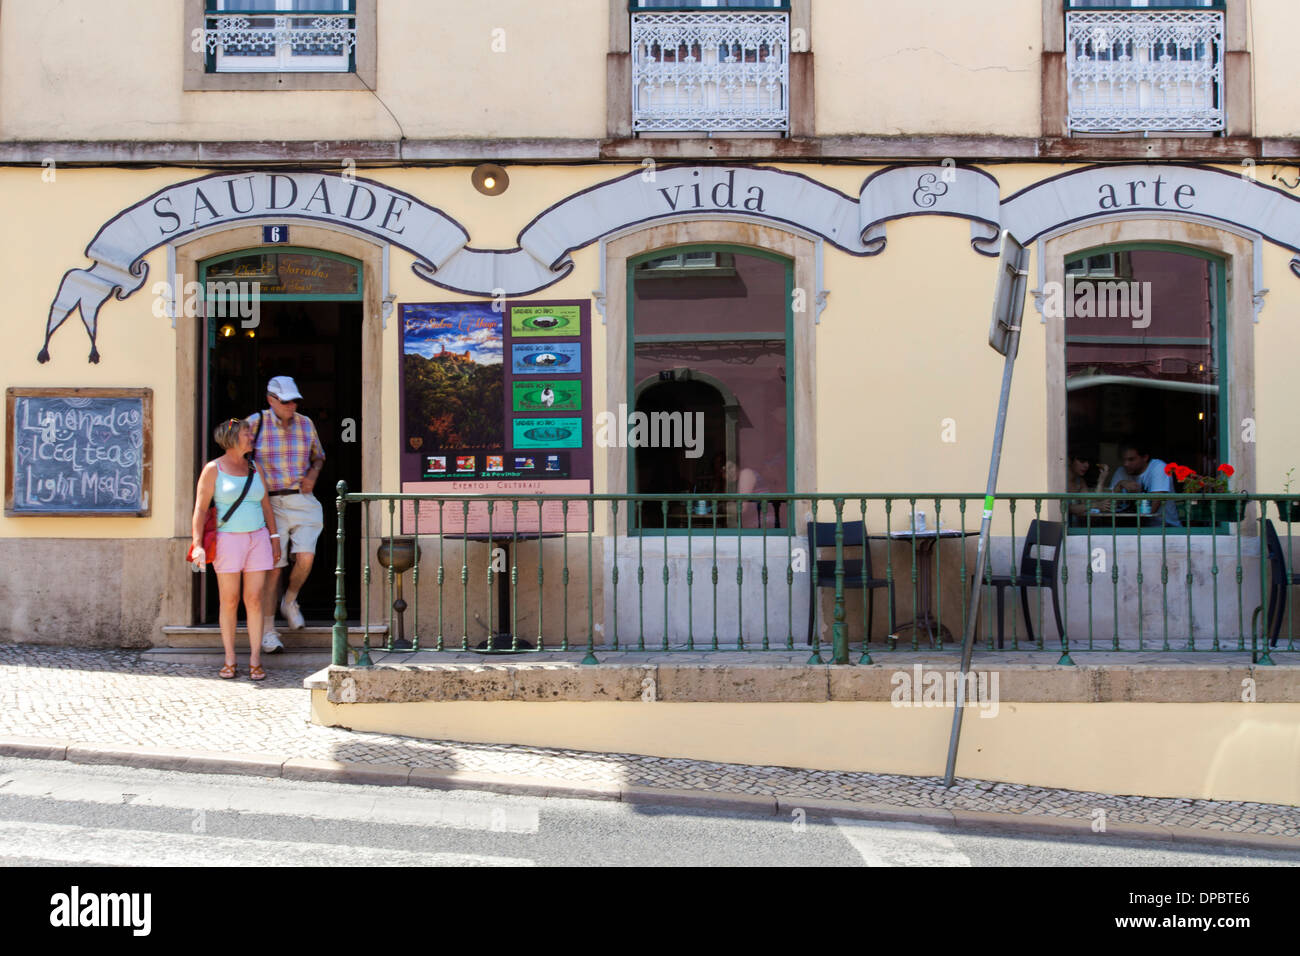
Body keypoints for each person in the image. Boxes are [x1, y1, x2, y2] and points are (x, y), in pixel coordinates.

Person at [191, 419, 280, 680]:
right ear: (231, 438)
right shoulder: (213, 469)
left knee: (254, 600)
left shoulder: (255, 467)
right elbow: (200, 508)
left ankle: (255, 659)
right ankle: (230, 658)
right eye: (246, 433)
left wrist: (274, 537)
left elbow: (266, 506)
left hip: (258, 539)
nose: (251, 437)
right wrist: (197, 544)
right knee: (229, 601)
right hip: (228, 539)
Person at [248, 376, 326, 653]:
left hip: (302, 499)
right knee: (273, 568)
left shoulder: (306, 423)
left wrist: (313, 475)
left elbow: (319, 455)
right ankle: (269, 631)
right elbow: (226, 435)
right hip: (270, 503)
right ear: (271, 400)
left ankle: (290, 600)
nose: (291, 405)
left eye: (295, 400)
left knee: (306, 557)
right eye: (285, 401)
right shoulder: (254, 422)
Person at [1109, 440, 1181, 527]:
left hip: (1166, 528)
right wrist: (1119, 486)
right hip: (1133, 529)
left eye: (1131, 459)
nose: (1126, 464)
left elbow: (1150, 511)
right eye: (1123, 460)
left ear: (1145, 457)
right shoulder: (1121, 471)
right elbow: (1109, 507)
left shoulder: (1158, 467)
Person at [1066, 450, 1109, 524]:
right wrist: (1097, 505)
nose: (1087, 465)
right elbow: (1068, 508)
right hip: (1060, 528)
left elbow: (1088, 507)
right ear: (1069, 461)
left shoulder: (1080, 482)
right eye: (1082, 461)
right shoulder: (1060, 482)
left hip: (1076, 529)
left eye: (1088, 462)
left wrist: (1100, 482)